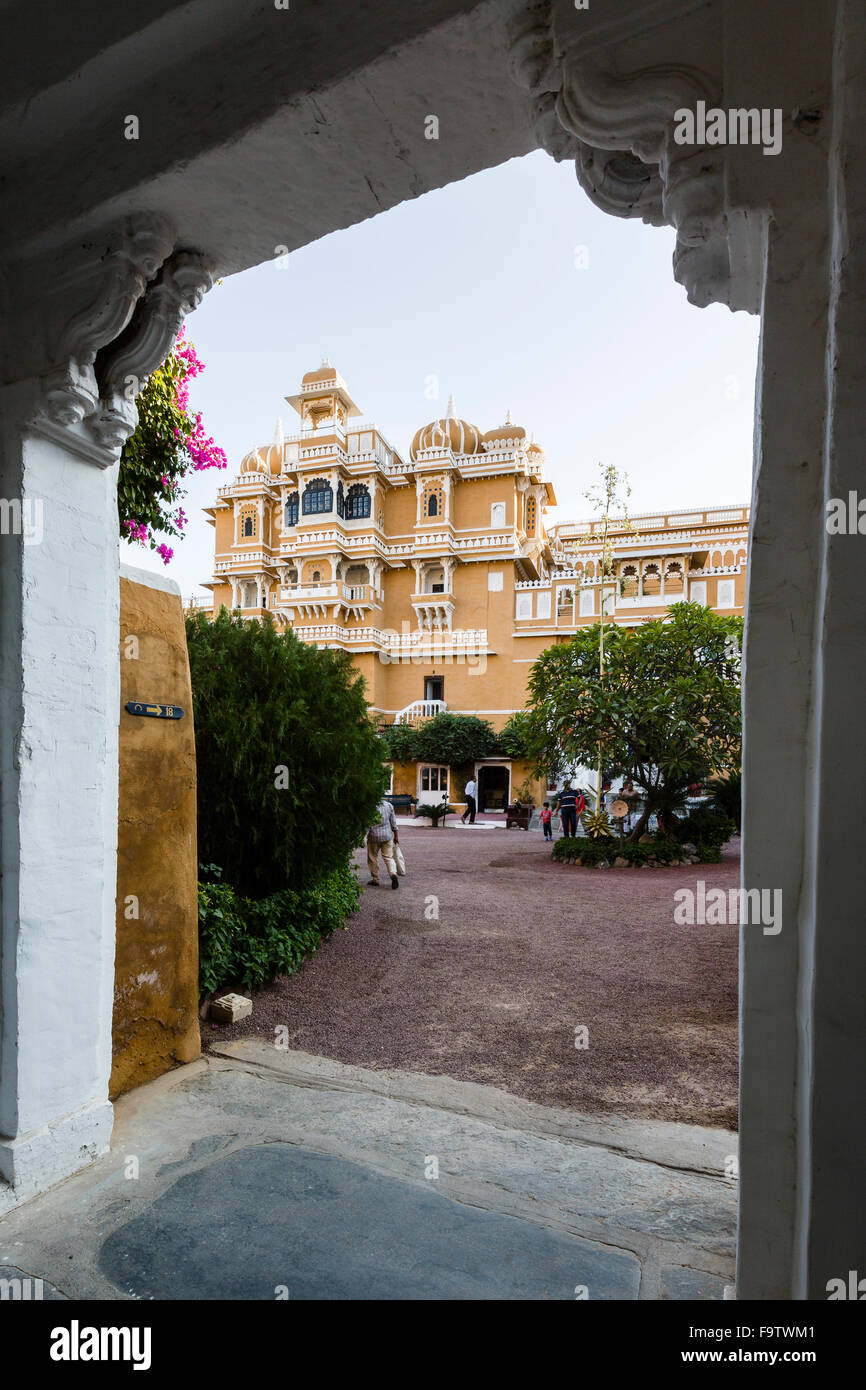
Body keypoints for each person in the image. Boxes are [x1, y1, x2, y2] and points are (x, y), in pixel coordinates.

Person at [366, 796, 399, 889]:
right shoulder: (389, 805)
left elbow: (367, 825)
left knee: (372, 858)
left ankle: (375, 879)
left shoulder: (370, 807)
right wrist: (396, 836)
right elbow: (394, 823)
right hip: (387, 836)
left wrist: (363, 837)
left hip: (374, 837)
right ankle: (393, 874)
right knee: (388, 857)